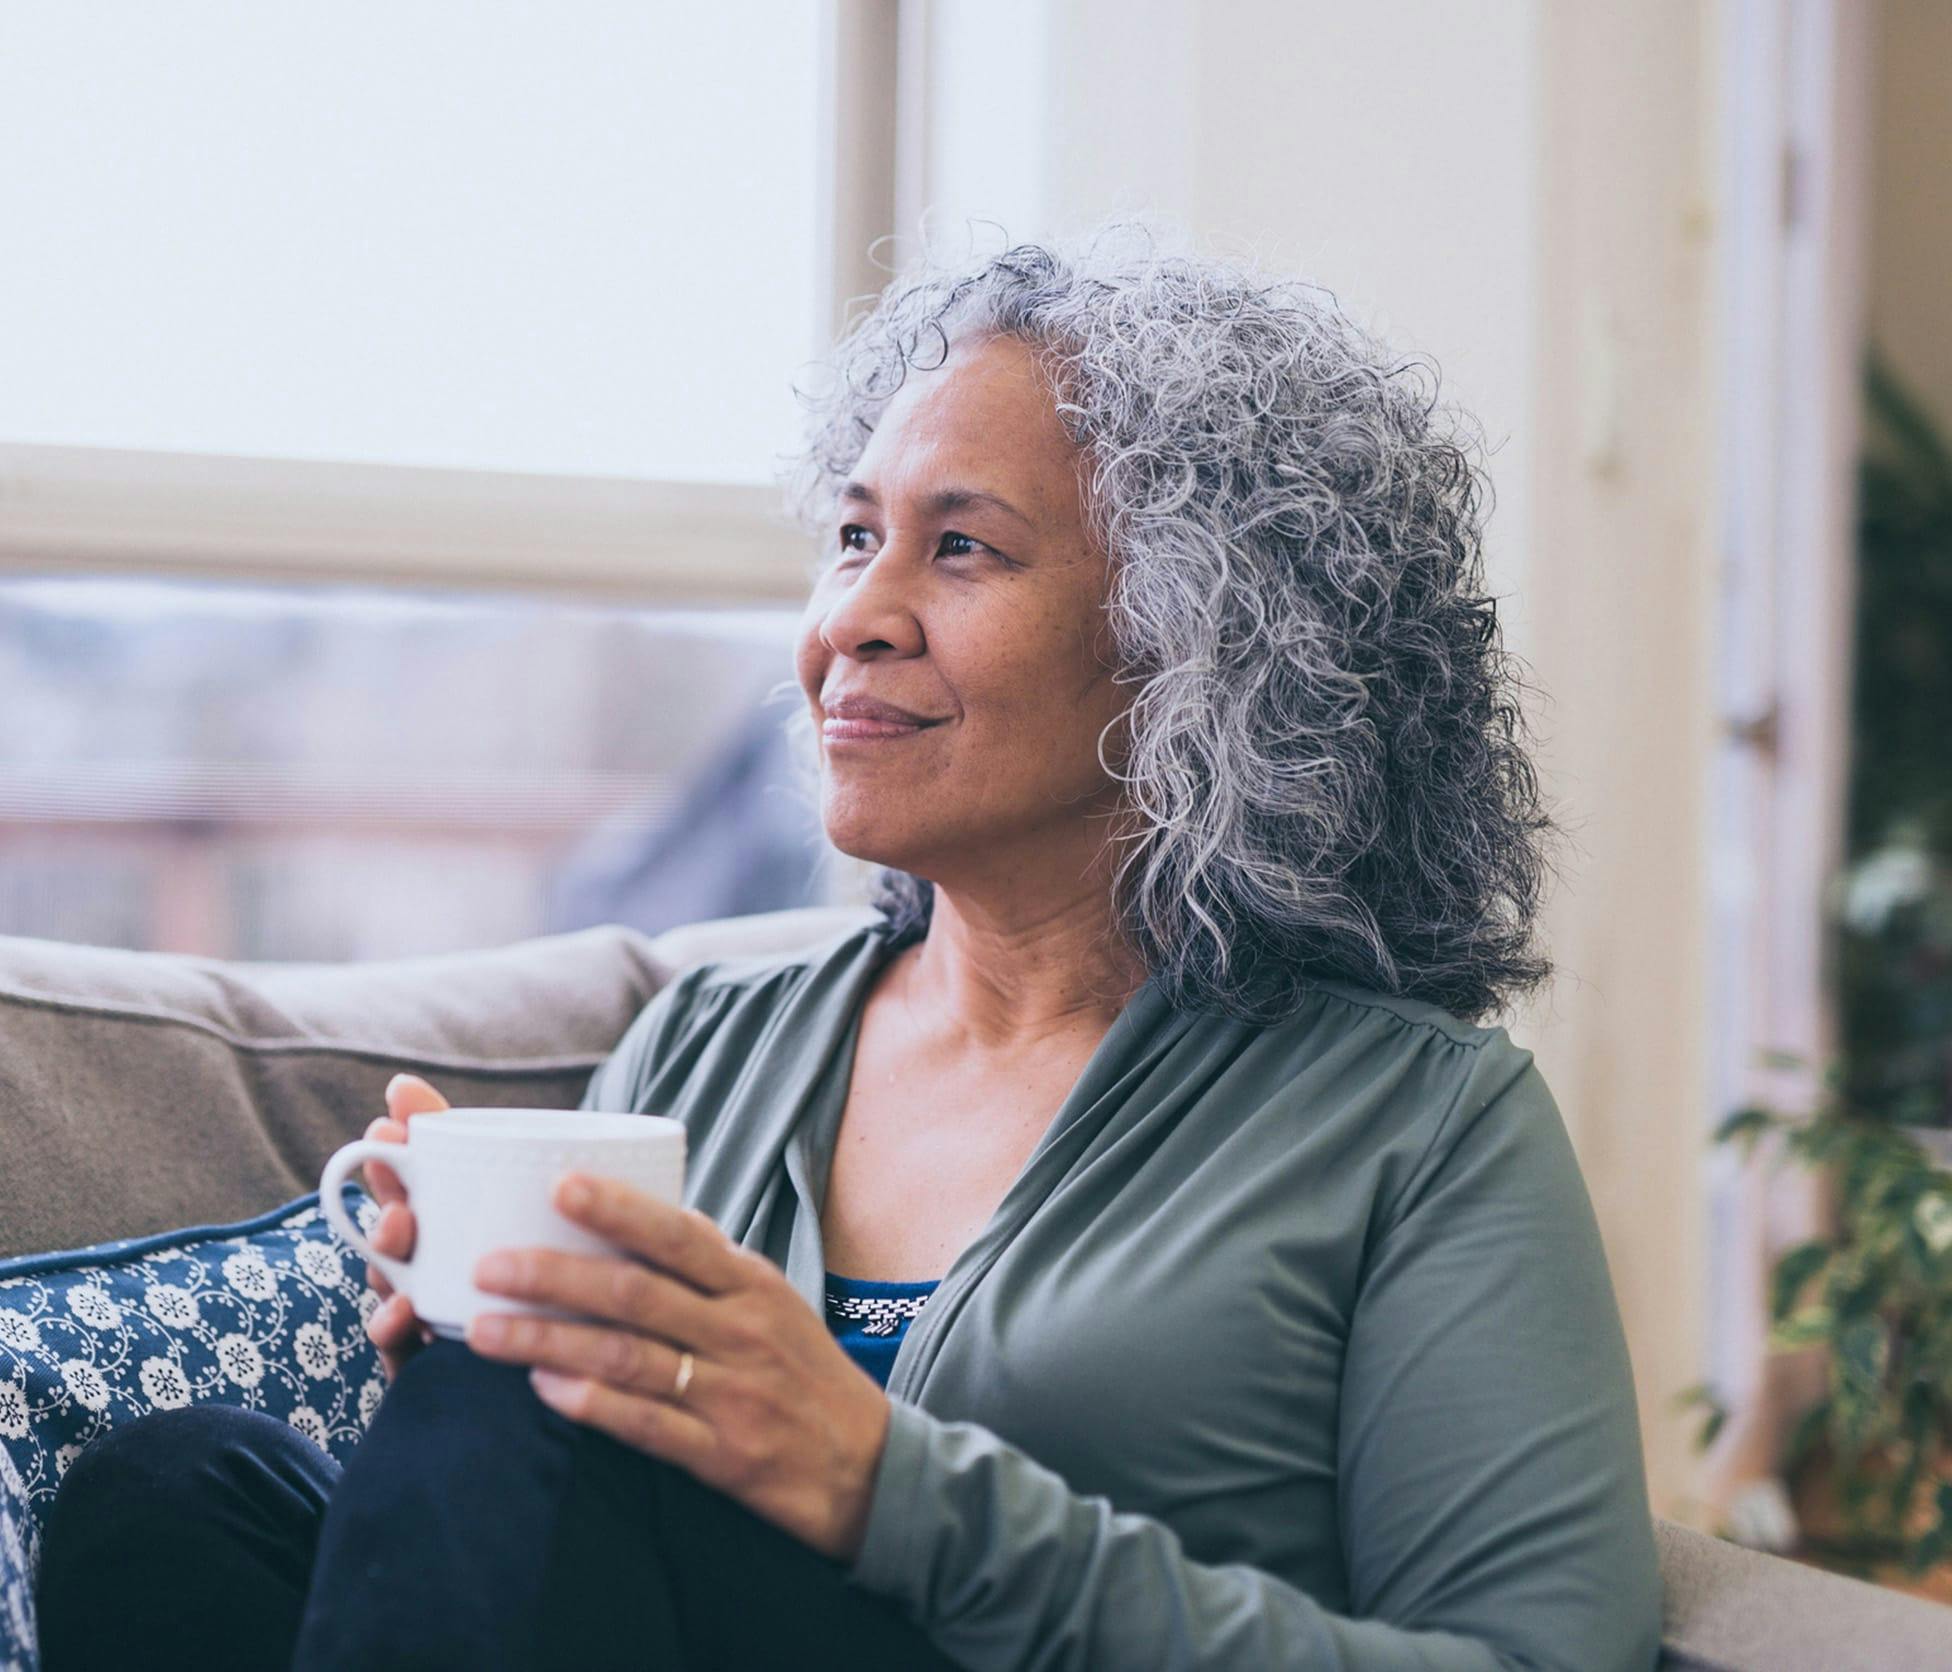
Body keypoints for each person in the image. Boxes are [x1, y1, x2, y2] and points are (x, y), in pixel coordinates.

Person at [33, 221, 1664, 1670]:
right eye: (852, 536)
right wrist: (474, 1344)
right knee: (172, 1497)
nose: (854, 619)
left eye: (962, 547)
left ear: (1203, 647)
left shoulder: (1418, 1128)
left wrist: (888, 1491)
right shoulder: (709, 1041)